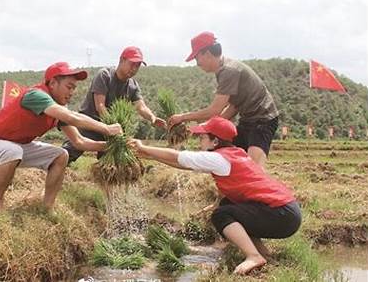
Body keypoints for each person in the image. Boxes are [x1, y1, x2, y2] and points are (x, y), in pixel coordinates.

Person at [128, 116, 301, 275]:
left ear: (215, 141)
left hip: (281, 215)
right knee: (228, 204)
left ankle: (253, 256)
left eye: (203, 137)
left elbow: (179, 157)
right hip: (286, 212)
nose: (199, 140)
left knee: (222, 214)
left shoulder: (219, 158)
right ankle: (263, 253)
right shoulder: (234, 153)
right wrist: (150, 156)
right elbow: (185, 165)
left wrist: (143, 147)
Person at [0, 62, 122, 212]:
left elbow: (79, 142)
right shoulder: (36, 95)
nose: (71, 92)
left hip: (17, 146)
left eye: (74, 88)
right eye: (69, 87)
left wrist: (111, 146)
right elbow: (72, 117)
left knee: (61, 155)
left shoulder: (58, 109)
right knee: (12, 151)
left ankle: (47, 207)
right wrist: (106, 128)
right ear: (53, 83)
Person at [168, 32, 279, 168]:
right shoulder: (222, 70)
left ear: (207, 53)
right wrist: (207, 127)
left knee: (254, 169)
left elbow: (214, 110)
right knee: (232, 162)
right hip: (247, 119)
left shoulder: (229, 71)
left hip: (263, 119)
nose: (197, 64)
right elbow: (233, 106)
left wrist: (182, 118)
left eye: (197, 58)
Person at [62, 46, 166, 164]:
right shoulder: (105, 75)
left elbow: (141, 106)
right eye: (132, 64)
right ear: (122, 60)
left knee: (116, 163)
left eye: (137, 66)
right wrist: (110, 127)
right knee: (68, 153)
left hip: (114, 130)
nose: (134, 69)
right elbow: (100, 107)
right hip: (91, 125)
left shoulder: (133, 86)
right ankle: (46, 169)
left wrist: (152, 118)